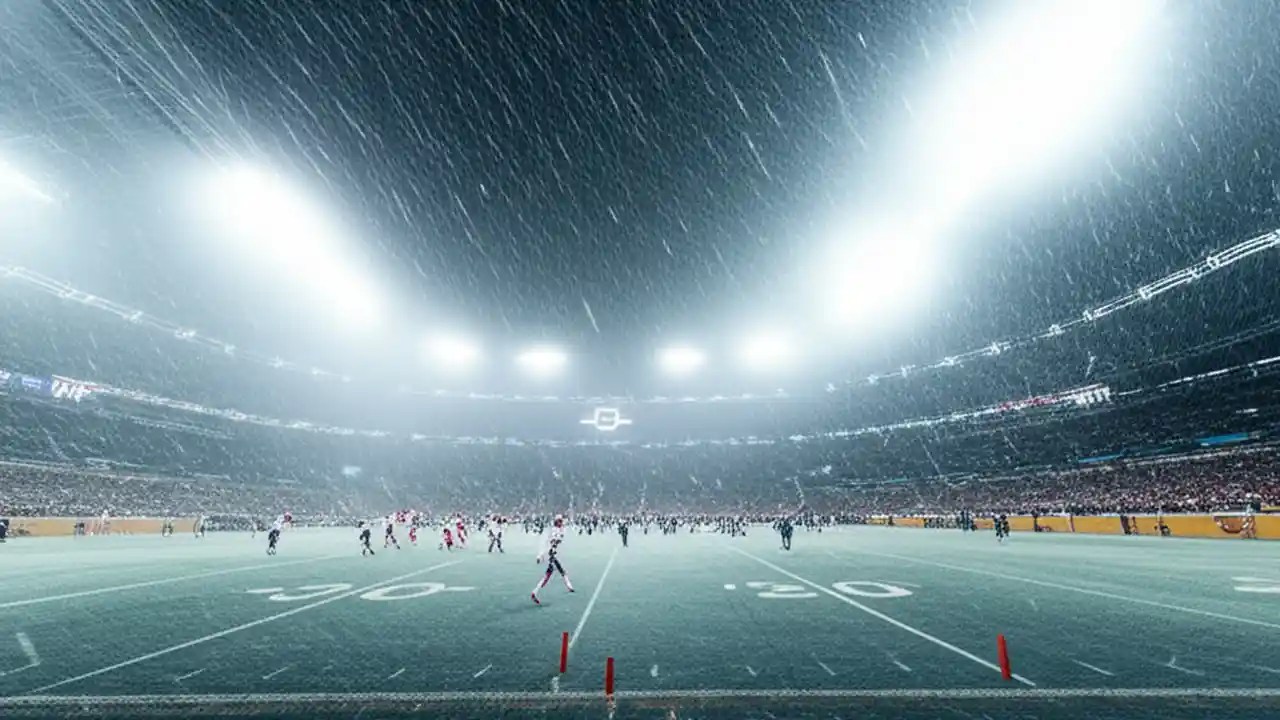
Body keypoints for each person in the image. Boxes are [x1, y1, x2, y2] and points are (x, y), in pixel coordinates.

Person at [532, 515, 574, 605]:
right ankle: (535, 592)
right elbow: (546, 544)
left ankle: (535, 591)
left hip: (554, 555)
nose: (561, 523)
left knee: (551, 574)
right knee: (555, 574)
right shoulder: (553, 532)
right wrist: (540, 555)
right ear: (557, 522)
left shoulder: (557, 530)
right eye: (560, 521)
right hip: (552, 555)